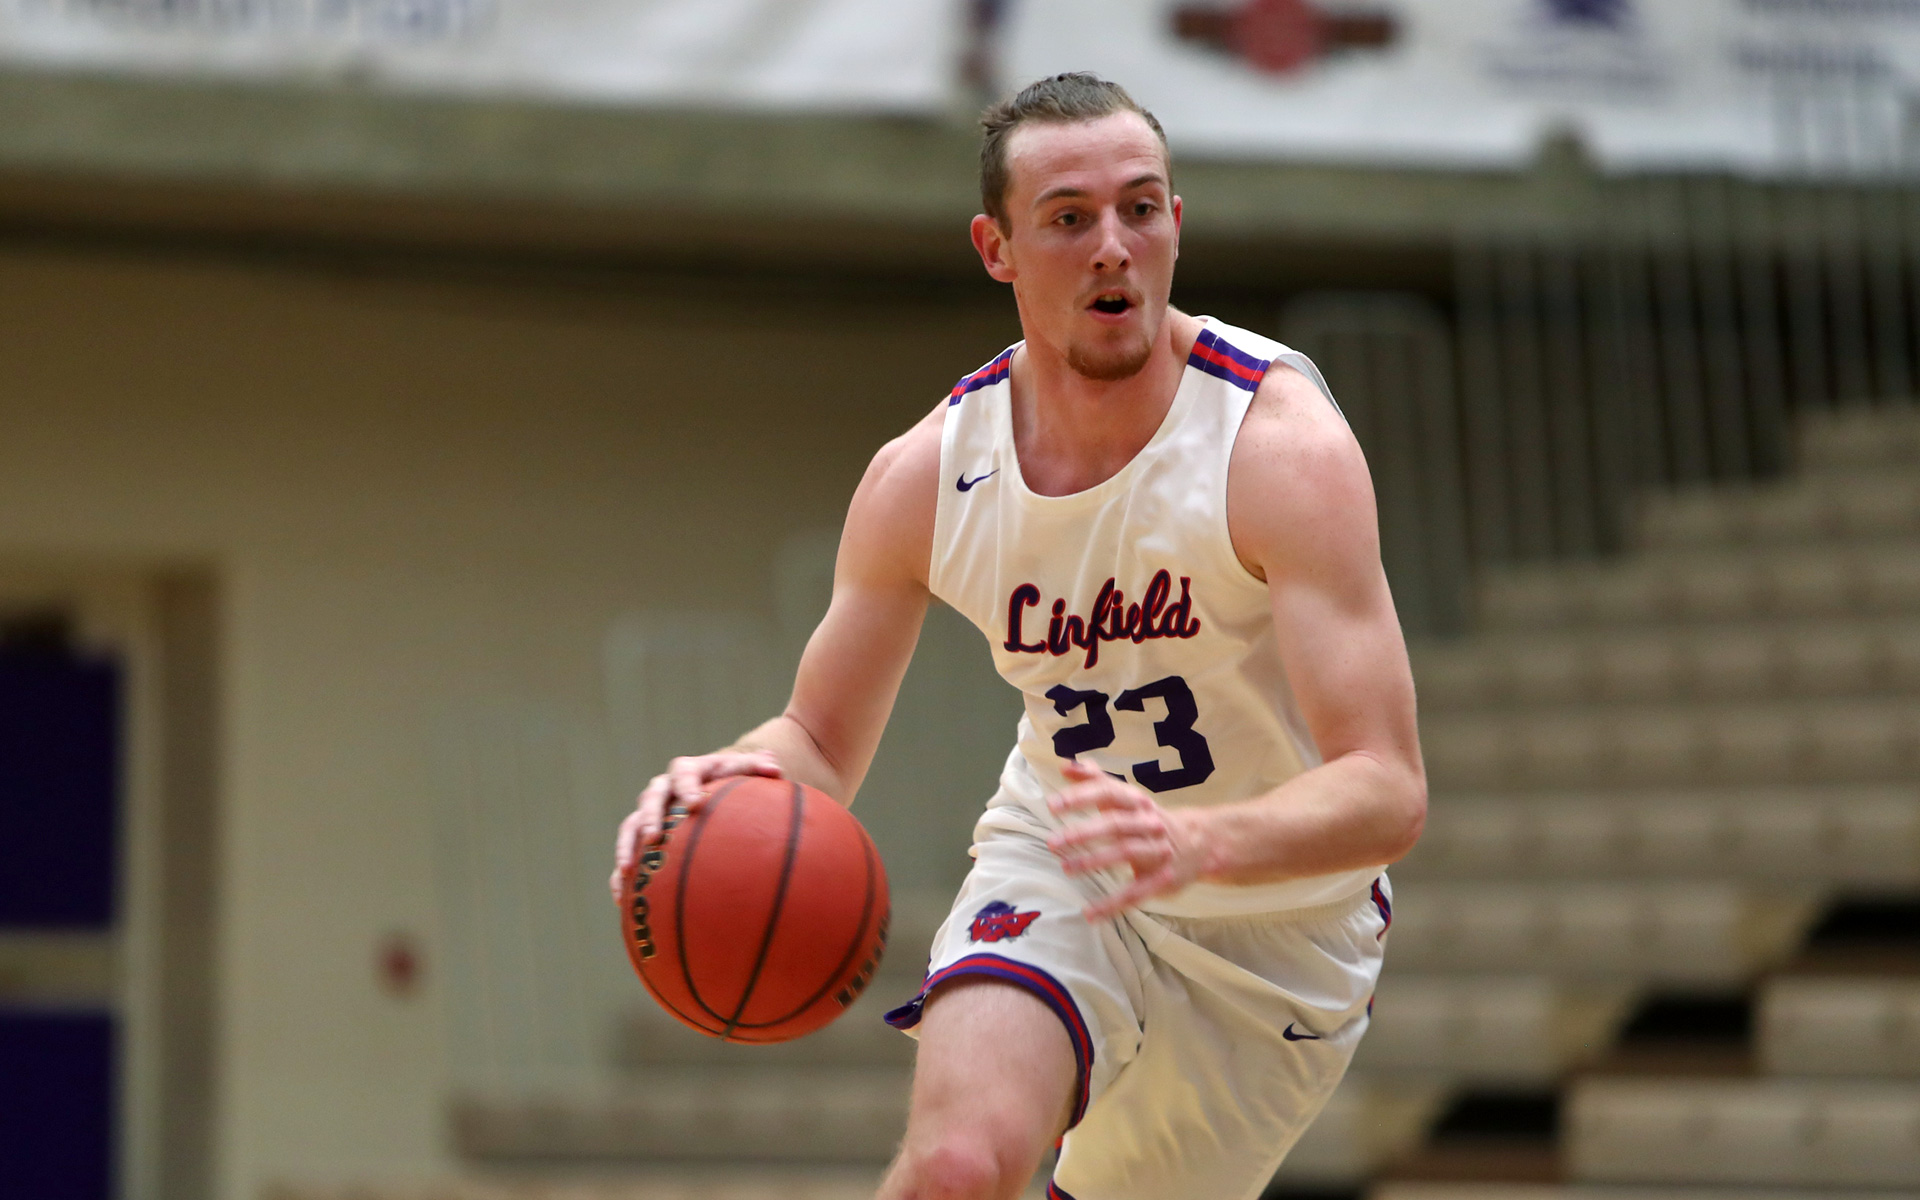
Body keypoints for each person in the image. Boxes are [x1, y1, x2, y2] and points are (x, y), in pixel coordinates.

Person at [611, 72, 1425, 1200]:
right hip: (1064, 857)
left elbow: (1387, 788)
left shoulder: (1277, 449)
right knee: (955, 1165)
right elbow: (819, 739)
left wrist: (1201, 844)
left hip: (1275, 939)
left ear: (1176, 227)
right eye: (1069, 217)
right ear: (997, 248)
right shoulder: (925, 478)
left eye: (1141, 209)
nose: (1112, 247)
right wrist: (731, 780)